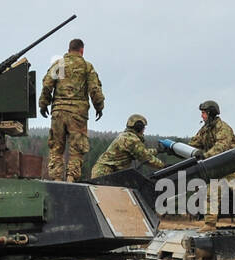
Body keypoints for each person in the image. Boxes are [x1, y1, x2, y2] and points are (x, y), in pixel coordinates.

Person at [190, 99, 235, 232]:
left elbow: (221, 147)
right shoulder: (205, 130)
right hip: (216, 167)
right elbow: (194, 143)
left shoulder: (223, 128)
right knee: (211, 194)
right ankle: (210, 224)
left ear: (211, 113)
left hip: (232, 167)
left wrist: (205, 156)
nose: (202, 116)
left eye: (204, 113)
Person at [39, 38, 104, 181]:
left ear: (69, 50)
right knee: (76, 149)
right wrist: (99, 106)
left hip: (58, 112)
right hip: (77, 114)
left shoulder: (60, 65)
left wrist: (43, 104)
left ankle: (56, 179)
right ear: (82, 50)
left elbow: (47, 85)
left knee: (56, 148)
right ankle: (70, 179)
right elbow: (94, 89)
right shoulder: (86, 67)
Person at [90, 114, 164, 178]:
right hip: (105, 173)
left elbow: (142, 152)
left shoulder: (127, 136)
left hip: (105, 171)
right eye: (143, 127)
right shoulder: (131, 139)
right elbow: (146, 158)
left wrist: (157, 150)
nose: (144, 130)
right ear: (139, 127)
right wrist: (163, 166)